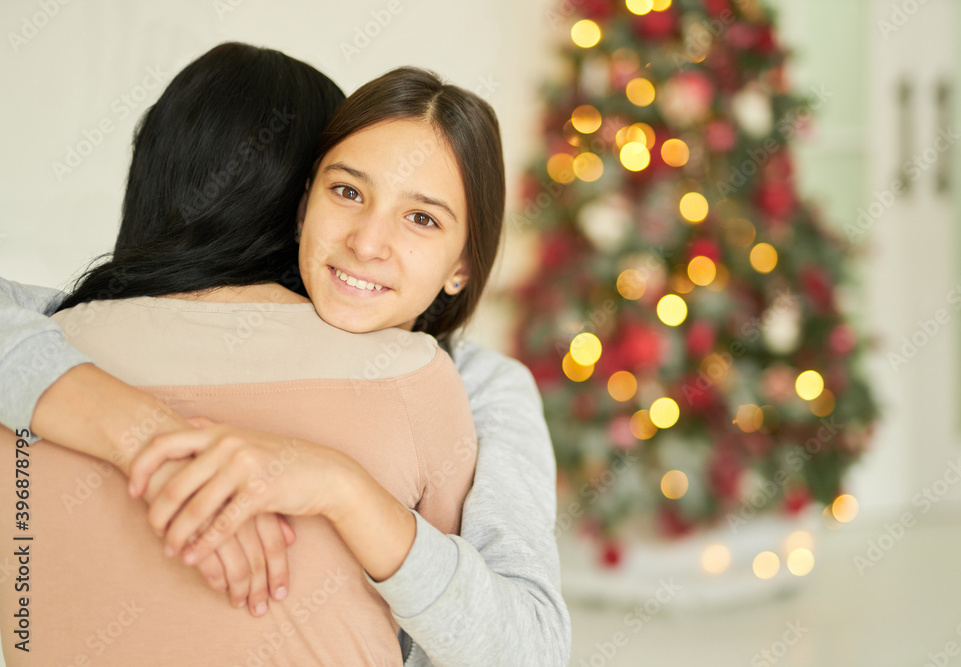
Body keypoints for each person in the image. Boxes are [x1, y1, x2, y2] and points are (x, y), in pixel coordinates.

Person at [0, 44, 570, 666]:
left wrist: (342, 485)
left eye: (422, 219)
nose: (368, 242)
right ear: (299, 209)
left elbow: (529, 651)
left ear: (464, 264)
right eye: (348, 192)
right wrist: (146, 435)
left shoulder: (478, 386)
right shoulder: (54, 334)